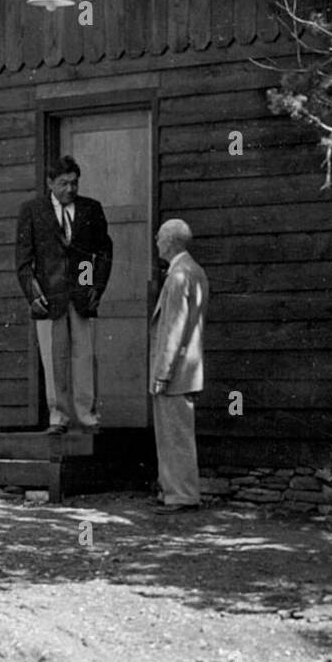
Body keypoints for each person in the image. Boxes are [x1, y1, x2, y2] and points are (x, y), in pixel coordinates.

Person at [15, 156, 112, 434]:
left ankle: (87, 417)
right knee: (53, 358)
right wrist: (34, 296)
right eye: (63, 183)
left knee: (85, 357)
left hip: (82, 297)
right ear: (50, 183)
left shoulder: (91, 209)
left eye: (74, 183)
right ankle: (58, 417)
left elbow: (104, 251)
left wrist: (96, 287)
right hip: (48, 299)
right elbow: (23, 260)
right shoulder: (32, 211)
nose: (70, 189)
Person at [149, 218, 209, 510]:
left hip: (176, 374)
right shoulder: (195, 271)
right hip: (188, 370)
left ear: (171, 242)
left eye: (159, 237)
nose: (156, 241)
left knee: (174, 437)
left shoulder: (178, 277)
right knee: (177, 435)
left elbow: (173, 329)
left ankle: (181, 495)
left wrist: (162, 372)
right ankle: (173, 490)